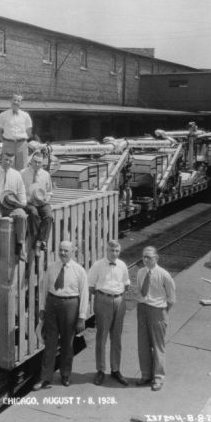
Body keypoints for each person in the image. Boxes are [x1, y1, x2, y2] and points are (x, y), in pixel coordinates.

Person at [33, 241, 89, 390]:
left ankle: (65, 375)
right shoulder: (52, 268)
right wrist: (43, 308)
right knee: (50, 342)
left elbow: (84, 294)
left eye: (66, 251)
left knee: (67, 342)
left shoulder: (79, 270)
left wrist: (81, 317)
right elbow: (44, 288)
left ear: (72, 252)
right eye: (61, 250)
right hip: (52, 303)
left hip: (70, 305)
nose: (63, 253)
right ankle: (45, 378)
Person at [88, 240, 130, 386]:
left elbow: (126, 284)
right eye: (112, 251)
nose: (114, 253)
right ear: (107, 251)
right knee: (102, 337)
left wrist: (117, 297)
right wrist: (104, 297)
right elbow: (91, 286)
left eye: (117, 251)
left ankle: (115, 369)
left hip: (119, 301)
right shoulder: (97, 265)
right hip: (103, 300)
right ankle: (100, 370)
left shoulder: (122, 265)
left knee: (116, 337)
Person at [135, 246, 176, 392]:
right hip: (142, 309)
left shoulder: (164, 275)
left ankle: (158, 378)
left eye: (149, 257)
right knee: (143, 345)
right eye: (144, 257)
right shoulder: (140, 272)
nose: (146, 260)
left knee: (158, 346)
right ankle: (146, 375)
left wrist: (162, 312)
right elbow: (140, 290)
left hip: (158, 311)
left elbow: (171, 298)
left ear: (156, 258)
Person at [0, 152, 28, 264]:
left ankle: (20, 246)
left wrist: (23, 202)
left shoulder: (17, 174)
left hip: (12, 205)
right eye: (6, 159)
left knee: (22, 216)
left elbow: (21, 191)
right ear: (1, 159)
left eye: (10, 161)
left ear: (13, 162)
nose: (8, 162)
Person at [20, 151, 54, 255]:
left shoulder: (46, 174)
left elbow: (49, 192)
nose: (37, 164)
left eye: (40, 162)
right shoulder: (23, 173)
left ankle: (41, 241)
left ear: (42, 163)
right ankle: (35, 241)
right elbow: (19, 190)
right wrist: (25, 200)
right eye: (35, 162)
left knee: (48, 215)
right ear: (31, 161)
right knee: (33, 213)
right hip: (28, 202)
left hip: (42, 202)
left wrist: (46, 200)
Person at [0, 94, 33, 170]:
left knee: (22, 167)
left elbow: (29, 132)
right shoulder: (3, 115)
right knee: (7, 166)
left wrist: (22, 141)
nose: (16, 102)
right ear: (11, 101)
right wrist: (5, 141)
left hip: (21, 144)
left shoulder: (26, 116)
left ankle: (21, 182)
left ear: (21, 103)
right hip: (8, 144)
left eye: (18, 101)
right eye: (14, 100)